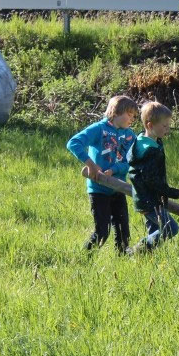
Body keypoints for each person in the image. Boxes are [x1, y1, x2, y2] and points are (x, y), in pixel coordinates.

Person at [66, 95, 138, 254]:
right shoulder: (99, 129)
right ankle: (84, 258)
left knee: (123, 233)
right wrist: (90, 164)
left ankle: (123, 263)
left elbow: (131, 162)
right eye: (130, 114)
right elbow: (73, 143)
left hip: (118, 188)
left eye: (134, 115)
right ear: (116, 112)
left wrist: (115, 170)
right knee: (102, 233)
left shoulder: (130, 136)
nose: (132, 118)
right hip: (98, 189)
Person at [127, 102, 179, 254]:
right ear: (150, 125)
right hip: (150, 199)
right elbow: (152, 180)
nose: (168, 129)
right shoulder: (148, 150)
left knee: (154, 229)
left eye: (168, 125)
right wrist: (172, 193)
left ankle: (143, 258)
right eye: (164, 126)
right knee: (170, 229)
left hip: (146, 197)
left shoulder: (146, 140)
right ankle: (135, 251)